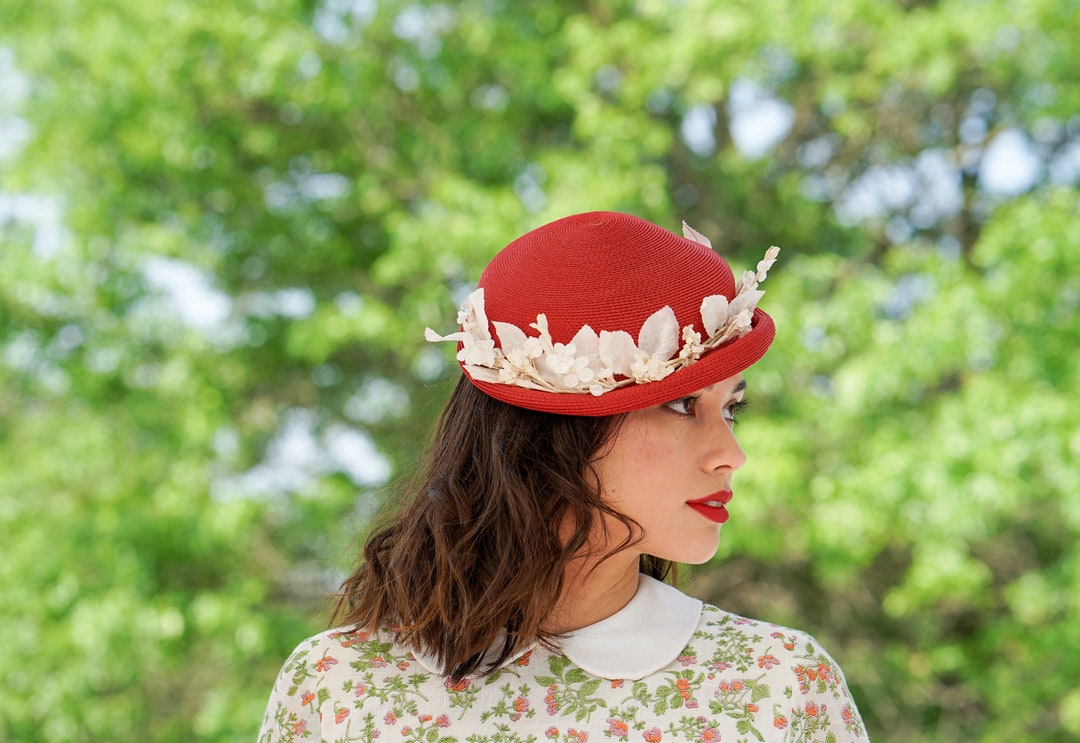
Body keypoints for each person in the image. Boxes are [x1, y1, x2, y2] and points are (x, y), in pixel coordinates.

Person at [259, 211, 868, 742]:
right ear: (556, 430)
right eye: (683, 404)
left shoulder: (778, 689)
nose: (731, 454)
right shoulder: (340, 690)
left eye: (730, 407)